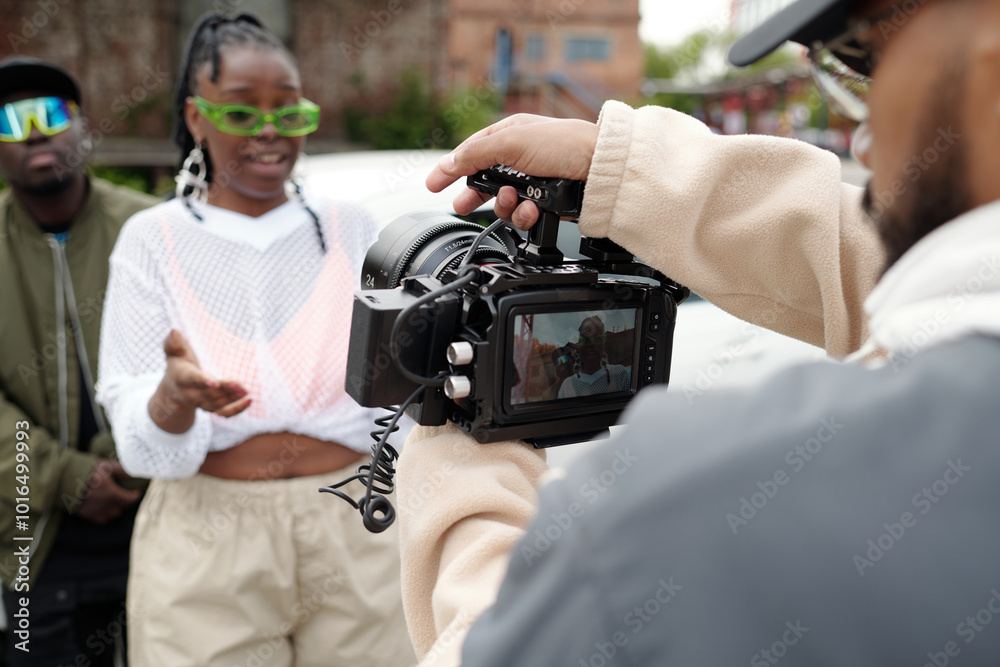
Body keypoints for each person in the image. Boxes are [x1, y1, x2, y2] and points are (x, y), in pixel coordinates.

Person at [392, 0, 1000, 665]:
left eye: (862, 60)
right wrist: (620, 166)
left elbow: (500, 644)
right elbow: (894, 263)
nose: (860, 135)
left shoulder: (686, 502)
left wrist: (463, 463)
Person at [95, 14, 415, 667]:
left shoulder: (353, 228)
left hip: (358, 518)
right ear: (196, 117)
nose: (270, 130)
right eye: (241, 113)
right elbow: (137, 432)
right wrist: (172, 399)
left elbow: (401, 398)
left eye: (289, 112)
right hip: (209, 540)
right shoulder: (152, 240)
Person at [0, 58, 157, 666]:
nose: (34, 132)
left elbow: (192, 362)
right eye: (11, 121)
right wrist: (64, 476)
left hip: (159, 527)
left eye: (51, 113)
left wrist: (129, 462)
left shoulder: (148, 228)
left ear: (83, 127)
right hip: (31, 541)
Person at [556, 316, 631, 399]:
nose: (591, 345)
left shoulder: (619, 374)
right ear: (579, 346)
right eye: (586, 340)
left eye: (597, 339)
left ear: (603, 344)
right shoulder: (567, 386)